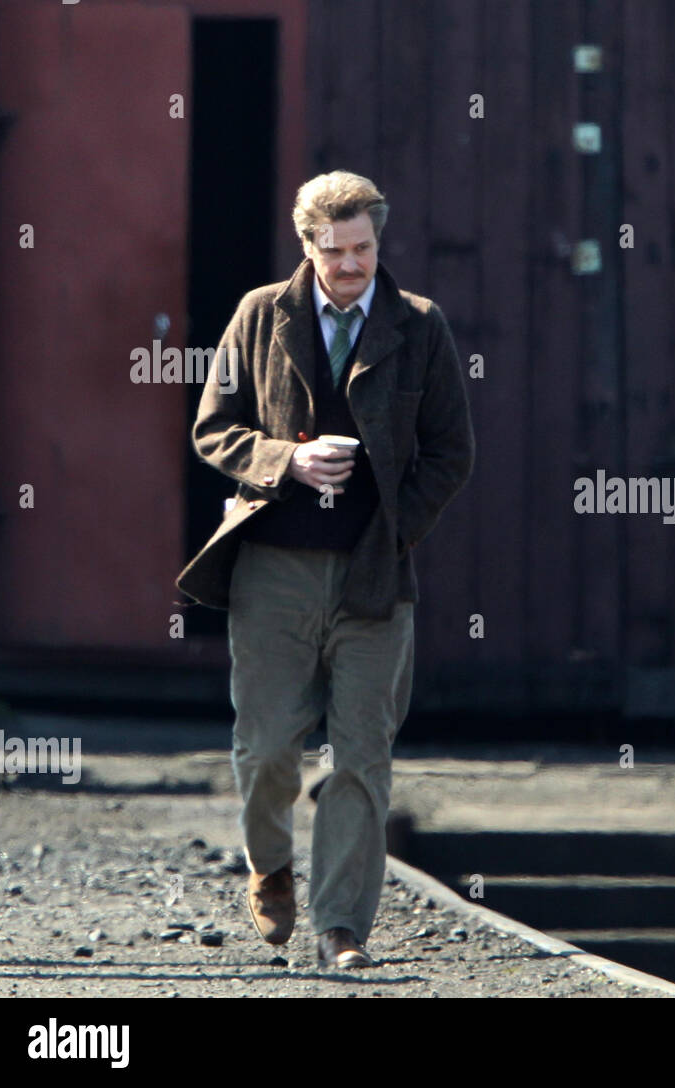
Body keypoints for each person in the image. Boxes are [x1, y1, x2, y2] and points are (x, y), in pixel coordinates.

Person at [176, 171, 475, 968]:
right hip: (273, 569)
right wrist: (288, 460)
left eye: (364, 249)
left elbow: (452, 453)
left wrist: (397, 530)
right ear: (307, 246)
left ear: (379, 242)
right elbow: (213, 429)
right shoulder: (259, 314)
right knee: (267, 746)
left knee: (360, 758)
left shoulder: (420, 326)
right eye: (335, 251)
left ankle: (342, 928)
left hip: (375, 577)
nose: (351, 266)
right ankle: (269, 861)